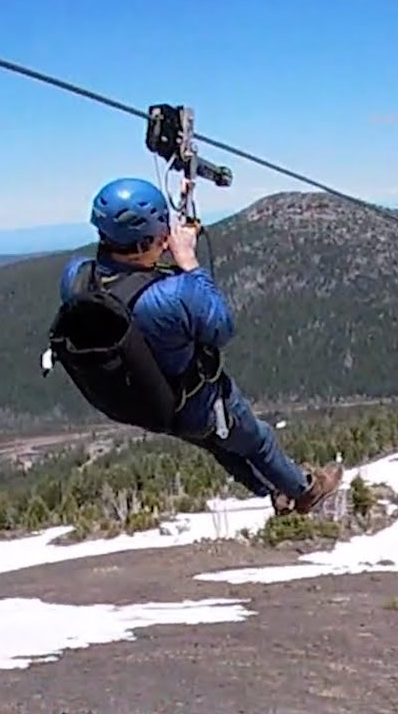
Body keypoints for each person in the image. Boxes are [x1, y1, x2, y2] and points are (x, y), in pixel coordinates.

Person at [55, 177, 340, 515]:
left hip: (150, 402)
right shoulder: (174, 296)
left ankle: (270, 489)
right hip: (198, 399)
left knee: (219, 445)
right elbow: (221, 328)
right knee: (256, 440)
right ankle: (303, 491)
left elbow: (134, 289)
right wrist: (187, 260)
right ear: (150, 238)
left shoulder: (76, 277)